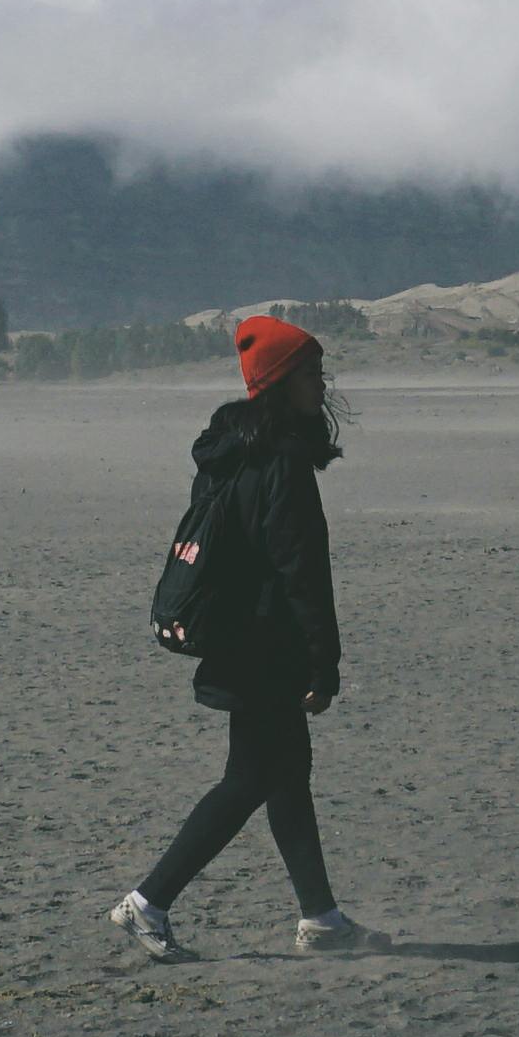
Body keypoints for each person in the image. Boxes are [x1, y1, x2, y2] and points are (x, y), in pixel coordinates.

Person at [115, 314, 366, 961]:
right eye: (311, 371)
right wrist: (323, 663)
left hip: (238, 641)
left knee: (287, 775)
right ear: (282, 381)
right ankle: (148, 902)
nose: (321, 383)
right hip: (266, 649)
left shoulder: (231, 454)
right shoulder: (280, 463)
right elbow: (301, 573)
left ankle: (322, 918)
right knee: (250, 779)